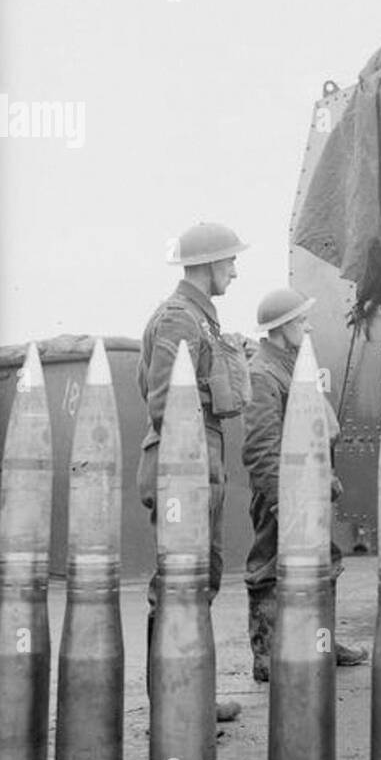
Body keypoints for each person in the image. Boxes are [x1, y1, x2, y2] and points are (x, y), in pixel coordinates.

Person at [136, 221, 252, 721]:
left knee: (200, 579)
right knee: (179, 583)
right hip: (185, 465)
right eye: (228, 260)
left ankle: (192, 698)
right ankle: (174, 704)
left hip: (202, 459)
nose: (234, 268)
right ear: (206, 264)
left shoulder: (202, 321)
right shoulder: (180, 319)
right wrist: (188, 471)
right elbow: (167, 402)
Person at [242, 287, 368, 681]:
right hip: (282, 493)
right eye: (300, 320)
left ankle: (321, 644)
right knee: (267, 568)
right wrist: (284, 501)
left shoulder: (293, 364)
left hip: (309, 491)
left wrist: (323, 481)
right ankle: (266, 656)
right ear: (281, 327)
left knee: (324, 563)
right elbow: (261, 448)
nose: (308, 326)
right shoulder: (263, 373)